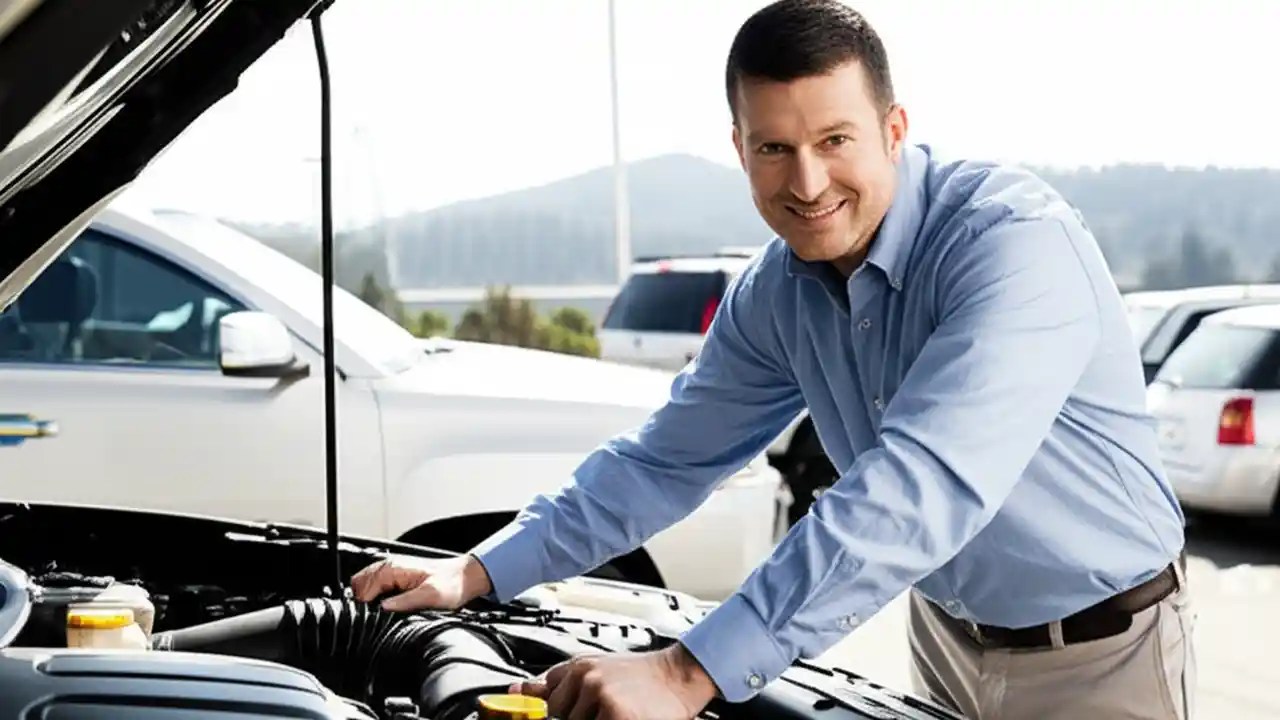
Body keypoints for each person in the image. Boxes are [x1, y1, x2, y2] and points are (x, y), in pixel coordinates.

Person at [352, 1, 1196, 718]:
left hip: (1104, 651)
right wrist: (478, 569)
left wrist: (688, 673)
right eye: (774, 149)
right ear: (739, 146)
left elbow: (918, 487)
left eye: (836, 140)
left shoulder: (1012, 245)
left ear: (894, 129)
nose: (807, 182)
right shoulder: (777, 290)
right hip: (944, 638)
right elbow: (663, 461)